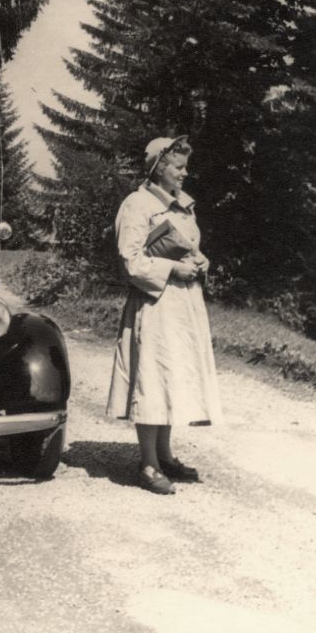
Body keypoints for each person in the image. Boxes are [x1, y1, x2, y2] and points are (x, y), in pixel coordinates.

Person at [107, 135, 222, 495]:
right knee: (153, 377)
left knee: (174, 374)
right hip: (154, 305)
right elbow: (130, 261)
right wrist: (172, 269)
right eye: (178, 166)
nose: (185, 173)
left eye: (186, 166)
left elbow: (190, 249)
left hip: (184, 305)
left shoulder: (184, 206)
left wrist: (200, 261)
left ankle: (166, 454)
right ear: (159, 167)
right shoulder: (137, 205)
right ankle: (148, 463)